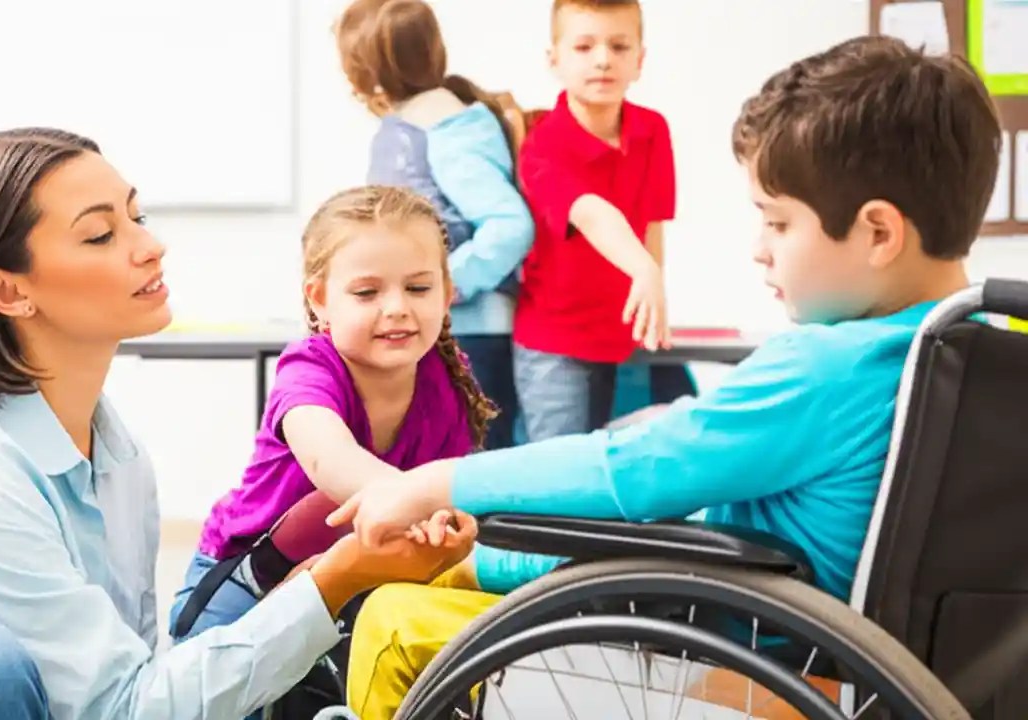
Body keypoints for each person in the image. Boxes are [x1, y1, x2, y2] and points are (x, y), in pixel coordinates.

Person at [330, 34, 1002, 717]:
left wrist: (430, 483)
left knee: (393, 619)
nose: (760, 249)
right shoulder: (978, 354)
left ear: (878, 233)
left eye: (777, 222)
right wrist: (486, 560)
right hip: (891, 686)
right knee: (462, 574)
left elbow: (631, 473)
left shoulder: (830, 367)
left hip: (757, 683)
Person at [0, 128, 475, 720]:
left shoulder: (116, 450)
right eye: (101, 235)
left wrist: (341, 577)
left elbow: (135, 682)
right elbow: (120, 708)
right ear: (10, 291)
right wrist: (336, 579)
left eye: (137, 218)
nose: (151, 246)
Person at [170, 185, 493, 643]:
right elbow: (330, 461)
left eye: (418, 288)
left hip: (360, 582)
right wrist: (423, 502)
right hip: (247, 582)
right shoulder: (310, 368)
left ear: (447, 294)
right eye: (367, 292)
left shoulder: (447, 378)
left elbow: (452, 493)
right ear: (319, 299)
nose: (397, 308)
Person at [335, 0, 535, 450]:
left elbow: (509, 226)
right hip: (434, 332)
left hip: (470, 337)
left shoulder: (448, 129)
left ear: (367, 71)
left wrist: (442, 286)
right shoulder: (411, 126)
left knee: (471, 474)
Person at [513, 0, 675, 440]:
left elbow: (653, 222)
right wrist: (645, 269)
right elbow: (591, 213)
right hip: (554, 345)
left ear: (640, 59)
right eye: (584, 47)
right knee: (557, 471)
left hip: (620, 338)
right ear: (554, 60)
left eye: (619, 46)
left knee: (614, 467)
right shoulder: (542, 142)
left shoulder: (653, 130)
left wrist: (655, 295)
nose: (603, 59)